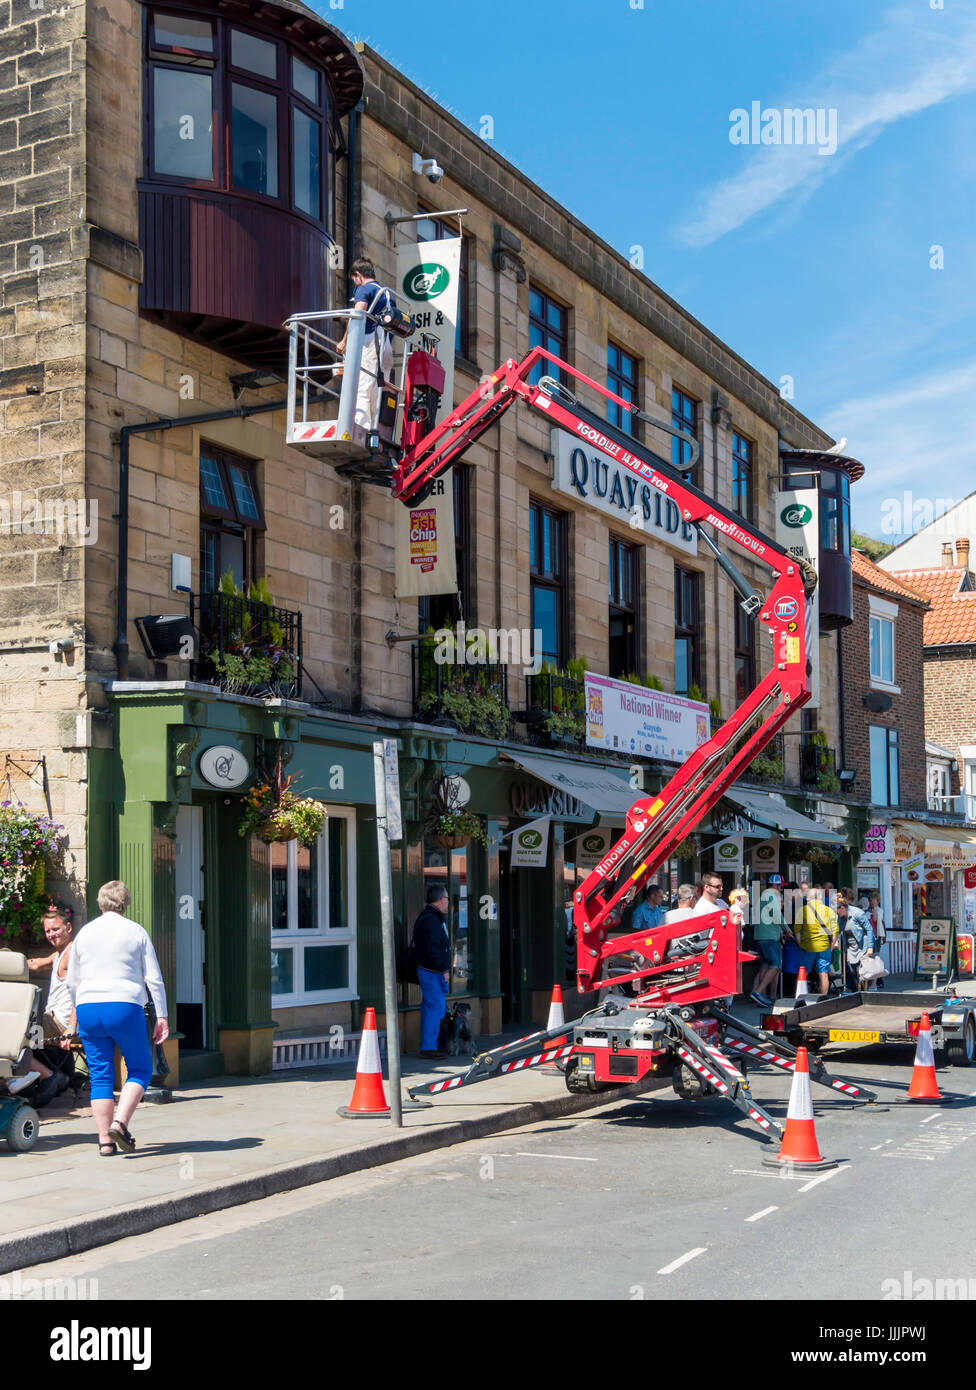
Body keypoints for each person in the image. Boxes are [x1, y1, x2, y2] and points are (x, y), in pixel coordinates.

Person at [66, 880, 168, 1156]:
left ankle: (105, 1143)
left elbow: (72, 981)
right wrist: (162, 1016)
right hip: (124, 1005)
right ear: (125, 903)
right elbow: (153, 979)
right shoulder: (135, 931)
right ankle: (120, 1124)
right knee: (140, 1069)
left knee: (100, 1076)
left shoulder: (84, 933)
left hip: (88, 1007)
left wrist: (75, 1013)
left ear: (100, 903)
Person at [26, 902, 89, 1096]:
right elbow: (36, 964)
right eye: (48, 931)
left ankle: (48, 1075)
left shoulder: (71, 955)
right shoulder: (59, 954)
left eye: (56, 929)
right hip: (51, 1020)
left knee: (14, 1033)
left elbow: (79, 993)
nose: (51, 934)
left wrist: (71, 1028)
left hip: (60, 1024)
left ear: (68, 928)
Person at [335, 257, 395, 431]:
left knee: (361, 387)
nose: (354, 283)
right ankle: (376, 430)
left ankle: (361, 429)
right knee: (378, 390)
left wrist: (344, 341)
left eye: (354, 279)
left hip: (370, 344)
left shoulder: (364, 289)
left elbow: (357, 316)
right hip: (386, 347)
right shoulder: (387, 293)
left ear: (358, 275)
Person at [412, 884, 451, 1059]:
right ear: (441, 900)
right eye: (447, 899)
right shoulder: (431, 919)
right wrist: (443, 968)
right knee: (435, 1008)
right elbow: (433, 948)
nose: (448, 903)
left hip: (430, 971)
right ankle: (429, 1047)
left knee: (433, 1008)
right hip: (431, 972)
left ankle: (431, 1045)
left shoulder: (431, 917)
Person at [796, 885, 840, 996]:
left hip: (808, 946)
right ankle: (823, 998)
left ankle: (800, 996)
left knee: (803, 972)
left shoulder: (803, 910)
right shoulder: (829, 911)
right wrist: (830, 947)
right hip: (824, 947)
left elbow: (796, 930)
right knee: (824, 973)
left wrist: (800, 944)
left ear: (808, 898)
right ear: (820, 898)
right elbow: (835, 932)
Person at [751, 880, 788, 1007]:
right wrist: (787, 930)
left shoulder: (763, 896)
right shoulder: (771, 895)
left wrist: (780, 932)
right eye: (781, 886)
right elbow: (777, 915)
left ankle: (763, 996)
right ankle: (758, 992)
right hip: (769, 939)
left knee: (765, 965)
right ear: (775, 885)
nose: (781, 889)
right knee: (776, 965)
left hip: (761, 937)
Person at [837, 888, 875, 992]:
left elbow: (869, 929)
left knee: (860, 971)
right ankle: (855, 992)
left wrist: (870, 947)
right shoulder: (840, 917)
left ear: (843, 908)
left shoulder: (858, 913)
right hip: (849, 946)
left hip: (862, 944)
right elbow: (837, 930)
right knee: (851, 970)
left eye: (838, 910)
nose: (836, 912)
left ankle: (863, 992)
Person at [868, 891, 887, 988]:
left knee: (875, 958)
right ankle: (870, 981)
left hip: (876, 937)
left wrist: (873, 908)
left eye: (873, 900)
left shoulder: (879, 910)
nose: (871, 902)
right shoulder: (867, 910)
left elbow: (875, 919)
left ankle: (874, 983)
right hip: (868, 937)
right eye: (870, 900)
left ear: (877, 901)